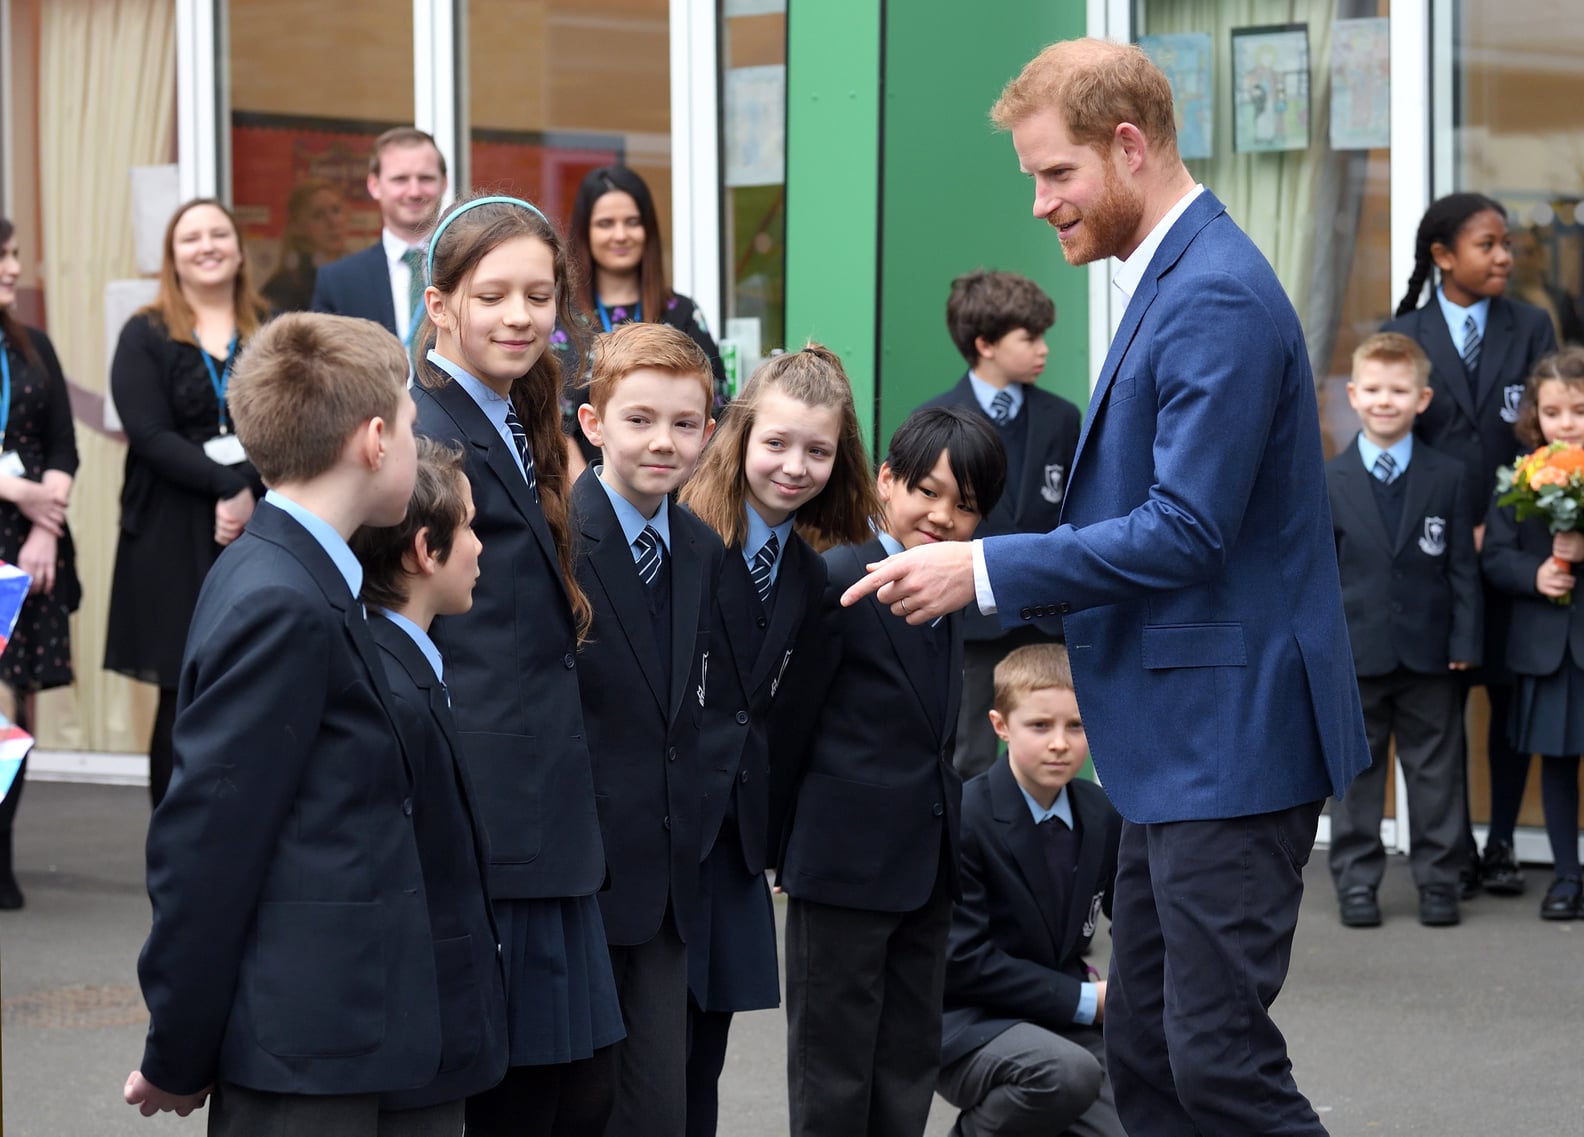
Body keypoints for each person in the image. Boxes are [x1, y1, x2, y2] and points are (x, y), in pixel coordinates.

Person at [843, 39, 1370, 1137]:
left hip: (1230, 743)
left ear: (1128, 147)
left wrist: (979, 567)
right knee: (1148, 1051)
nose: (1039, 204)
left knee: (1216, 1064)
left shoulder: (1214, 291)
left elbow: (1183, 530)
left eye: (1055, 175)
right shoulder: (1176, 274)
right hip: (1180, 744)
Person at [123, 312, 437, 1131]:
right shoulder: (281, 599)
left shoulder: (291, 570)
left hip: (337, 1035)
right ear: (374, 440)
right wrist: (177, 1049)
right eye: (409, 423)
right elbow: (207, 843)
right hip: (306, 1052)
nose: (414, 438)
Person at [410, 194, 621, 1137]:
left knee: (572, 1091)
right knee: (516, 1099)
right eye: (492, 294)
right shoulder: (425, 429)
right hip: (494, 808)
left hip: (542, 804)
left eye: (539, 294)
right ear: (438, 304)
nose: (519, 315)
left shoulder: (515, 416)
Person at [779, 405, 1005, 1137]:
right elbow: (790, 723)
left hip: (926, 865)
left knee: (907, 1062)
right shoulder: (840, 576)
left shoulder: (951, 593)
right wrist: (785, 848)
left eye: (966, 507)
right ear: (885, 480)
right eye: (928, 492)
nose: (943, 516)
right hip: (842, 864)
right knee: (833, 1070)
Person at [676, 344, 881, 1137]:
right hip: (664, 833)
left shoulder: (810, 574)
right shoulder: (684, 536)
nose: (795, 466)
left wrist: (773, 843)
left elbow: (786, 722)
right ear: (740, 436)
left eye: (819, 450)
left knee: (706, 1059)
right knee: (650, 1060)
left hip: (734, 847)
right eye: (778, 443)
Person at [568, 321, 721, 1137]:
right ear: (594, 424)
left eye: (685, 423)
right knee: (579, 1106)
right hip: (577, 879)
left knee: (657, 1109)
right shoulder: (556, 539)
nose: (664, 441)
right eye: (639, 419)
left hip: (666, 889)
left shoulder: (698, 546)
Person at [1384, 192, 1558, 899]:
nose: (1505, 256)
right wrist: (1462, 525)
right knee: (1441, 706)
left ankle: (1503, 844)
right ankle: (1447, 853)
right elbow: (1398, 443)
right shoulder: (1407, 331)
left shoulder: (1531, 324)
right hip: (1439, 553)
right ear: (1443, 255)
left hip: (1513, 540)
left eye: (1507, 243)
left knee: (1510, 699)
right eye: (1488, 244)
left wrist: (1502, 519)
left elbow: (1545, 436)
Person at [349, 436, 510, 1117]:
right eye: (469, 526)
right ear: (424, 549)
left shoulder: (411, 668)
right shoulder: (391, 690)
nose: (480, 547)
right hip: (416, 1040)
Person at [104, 198, 268, 809]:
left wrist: (249, 486)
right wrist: (229, 487)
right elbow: (148, 434)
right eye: (191, 237)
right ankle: (175, 847)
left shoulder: (270, 329)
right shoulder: (144, 333)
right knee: (181, 692)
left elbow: (298, 422)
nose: (207, 245)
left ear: (239, 248)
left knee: (252, 680)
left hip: (257, 523)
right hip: (170, 532)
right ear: (172, 257)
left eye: (219, 233)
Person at [1326, 332, 1481, 929]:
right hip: (1355, 655)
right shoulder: (1330, 480)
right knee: (1357, 779)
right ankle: (1357, 883)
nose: (1385, 401)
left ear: (1422, 399)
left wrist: (1465, 643)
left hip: (1430, 655)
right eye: (1374, 390)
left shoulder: (1448, 476)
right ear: (1353, 395)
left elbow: (1462, 569)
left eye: (1399, 390)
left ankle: (1440, 881)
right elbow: (1319, 578)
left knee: (1436, 773)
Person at [938, 642, 1124, 1137]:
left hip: (1056, 1014)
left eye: (1077, 726)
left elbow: (1133, 917)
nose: (1060, 743)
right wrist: (1091, 1000)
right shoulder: (966, 817)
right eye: (1040, 726)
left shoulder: (1099, 811)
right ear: (1001, 726)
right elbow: (963, 961)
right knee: (1065, 1074)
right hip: (968, 1020)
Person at [920, 268, 1080, 778]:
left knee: (1051, 752)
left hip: (1046, 617)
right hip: (972, 625)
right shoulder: (937, 419)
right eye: (1029, 338)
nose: (1044, 349)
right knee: (967, 755)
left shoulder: (1063, 418)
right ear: (985, 343)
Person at [1480, 347, 1584, 920]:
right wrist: (1536, 573)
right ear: (1535, 417)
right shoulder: (1522, 475)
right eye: (1552, 412)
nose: (1565, 424)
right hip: (1549, 650)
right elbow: (1494, 556)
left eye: (1578, 410)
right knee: (1560, 761)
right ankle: (1567, 875)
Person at [0, 217, 80, 910]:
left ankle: (3, 849)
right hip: (11, 510)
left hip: (27, 543)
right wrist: (15, 491)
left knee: (12, 702)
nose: (11, 265)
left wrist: (44, 525)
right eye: (1, 253)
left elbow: (62, 442)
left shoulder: (33, 345)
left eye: (13, 252)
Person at [558, 166, 727, 469]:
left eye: (632, 222)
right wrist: (588, 502)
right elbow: (554, 426)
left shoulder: (682, 313)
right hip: (585, 495)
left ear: (647, 229)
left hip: (678, 492)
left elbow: (718, 413)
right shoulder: (560, 319)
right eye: (606, 224)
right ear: (585, 232)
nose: (620, 235)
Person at [312, 128, 448, 344]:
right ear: (374, 186)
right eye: (400, 179)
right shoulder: (338, 282)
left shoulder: (467, 266)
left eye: (426, 178)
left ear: (444, 183)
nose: (414, 191)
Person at [260, 177, 348, 313]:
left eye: (336, 210)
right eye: (318, 215)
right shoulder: (286, 287)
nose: (333, 222)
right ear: (298, 227)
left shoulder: (353, 272)